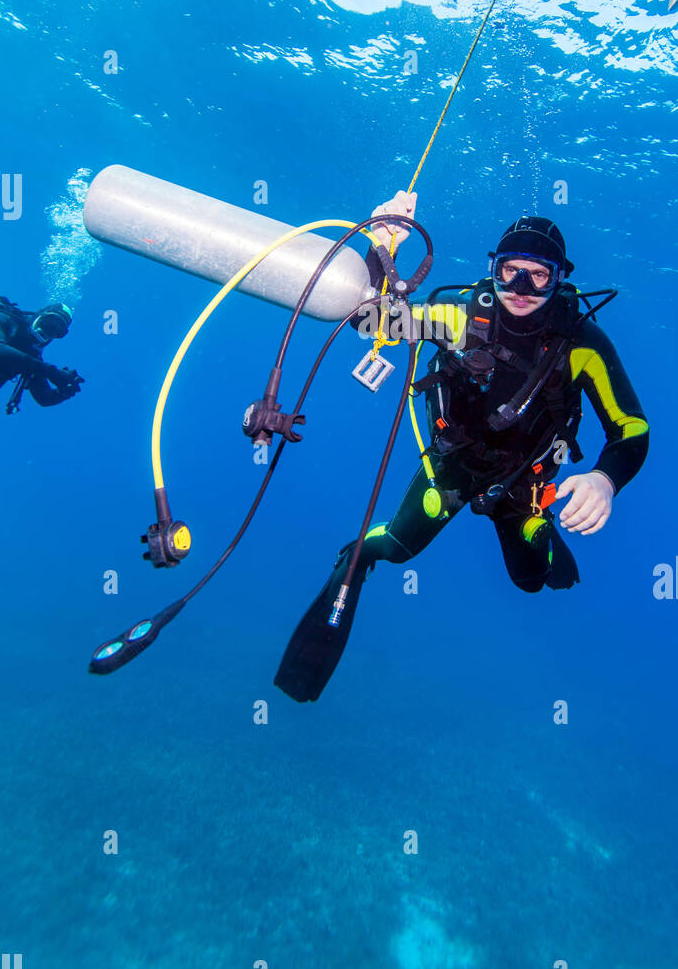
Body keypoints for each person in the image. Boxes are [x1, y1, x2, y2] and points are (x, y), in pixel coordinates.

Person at [275, 193, 649, 702]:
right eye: (508, 270)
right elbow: (371, 321)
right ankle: (355, 560)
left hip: (524, 485)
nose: (520, 287)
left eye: (537, 275)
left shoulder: (581, 342)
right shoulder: (461, 316)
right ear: (491, 269)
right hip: (450, 471)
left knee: (530, 582)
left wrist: (605, 480)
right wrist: (381, 245)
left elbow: (630, 430)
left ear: (560, 276)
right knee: (395, 550)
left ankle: (539, 534)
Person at [0, 294, 83, 418]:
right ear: (37, 315)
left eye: (57, 331)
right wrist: (51, 371)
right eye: (48, 323)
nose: (49, 331)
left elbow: (44, 398)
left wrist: (65, 392)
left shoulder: (33, 359)